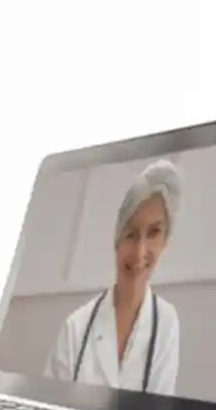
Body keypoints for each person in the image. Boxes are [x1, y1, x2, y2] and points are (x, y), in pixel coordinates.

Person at [43, 159, 182, 395]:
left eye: (153, 233)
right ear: (117, 239)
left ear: (165, 239)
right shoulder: (75, 328)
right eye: (130, 234)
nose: (140, 252)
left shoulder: (167, 324)